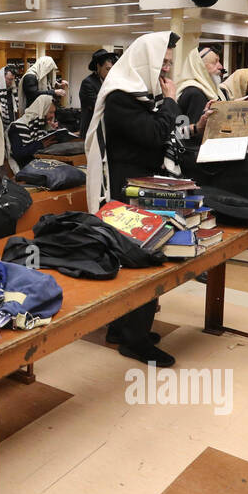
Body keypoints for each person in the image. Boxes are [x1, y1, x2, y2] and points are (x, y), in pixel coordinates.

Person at [83, 31, 182, 367]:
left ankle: (122, 329)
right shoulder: (120, 97)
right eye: (163, 63)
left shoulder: (139, 95)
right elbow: (154, 135)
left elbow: (159, 133)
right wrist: (171, 102)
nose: (166, 72)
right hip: (126, 196)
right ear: (145, 63)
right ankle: (133, 340)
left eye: (169, 63)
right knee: (143, 267)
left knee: (140, 264)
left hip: (141, 191)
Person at [175, 45, 221, 153]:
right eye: (215, 62)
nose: (220, 66)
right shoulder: (194, 93)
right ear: (200, 66)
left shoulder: (203, 90)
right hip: (194, 155)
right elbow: (184, 134)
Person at [7, 94, 61, 167]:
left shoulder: (40, 125)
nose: (52, 116)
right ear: (42, 111)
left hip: (42, 163)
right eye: (50, 112)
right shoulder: (17, 127)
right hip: (26, 168)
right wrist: (40, 144)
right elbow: (18, 154)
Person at [79, 49, 116, 142]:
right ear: (98, 67)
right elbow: (98, 106)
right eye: (107, 69)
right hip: (92, 129)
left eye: (111, 69)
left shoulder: (110, 82)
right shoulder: (88, 83)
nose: (110, 72)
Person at [0, 62, 20, 128]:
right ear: (3, 77)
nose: (11, 82)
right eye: (9, 79)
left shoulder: (12, 89)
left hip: (11, 118)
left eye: (12, 79)